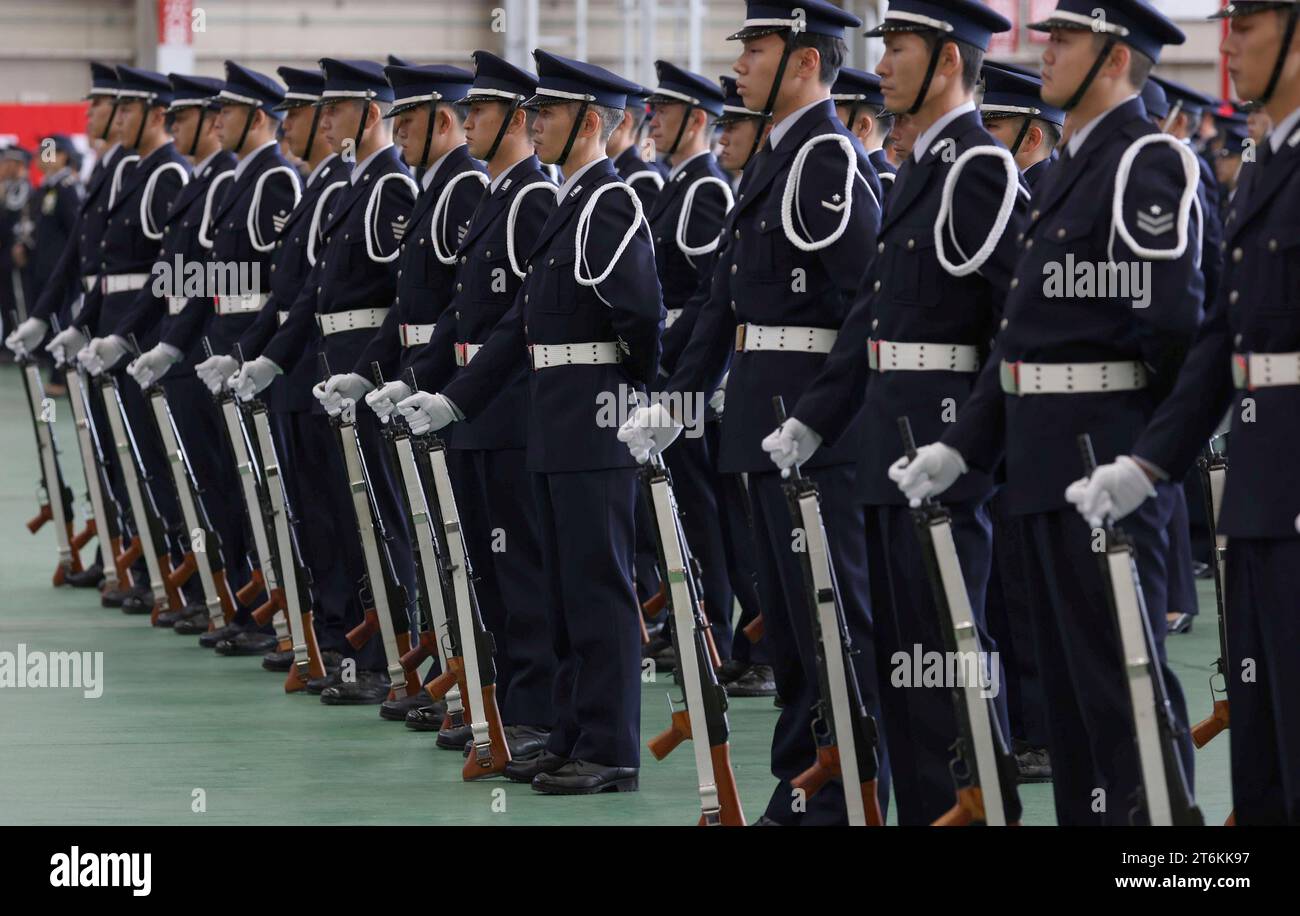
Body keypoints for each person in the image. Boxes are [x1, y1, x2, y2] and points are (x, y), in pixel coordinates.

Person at [892, 0, 1204, 826]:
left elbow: (1173, 328)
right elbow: (1021, 339)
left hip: (1102, 462)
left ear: (1113, 60)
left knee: (1124, 687)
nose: (1045, 50)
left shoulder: (1146, 163)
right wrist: (965, 447)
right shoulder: (1064, 168)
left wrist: (1144, 456)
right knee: (1065, 704)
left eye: (1065, 39)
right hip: (1038, 467)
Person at [619, 0, 887, 826]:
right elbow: (724, 306)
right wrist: (676, 400)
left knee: (833, 619)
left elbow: (865, 305)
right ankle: (802, 780)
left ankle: (853, 786)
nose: (738, 65)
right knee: (792, 625)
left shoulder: (828, 161)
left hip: (813, 431)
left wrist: (817, 416)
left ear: (805, 62)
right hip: (763, 426)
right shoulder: (778, 156)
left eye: (757, 49)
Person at [396, 49, 663, 795]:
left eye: (547, 114)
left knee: (598, 586)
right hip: (555, 416)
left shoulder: (608, 202)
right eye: (534, 112)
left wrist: (633, 392)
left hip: (591, 418)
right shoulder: (570, 203)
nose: (533, 124)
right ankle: (572, 731)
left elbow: (641, 313)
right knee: (562, 589)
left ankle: (611, 749)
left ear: (590, 123)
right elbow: (518, 326)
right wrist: (455, 398)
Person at [1072, 0, 1300, 825]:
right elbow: (1218, 345)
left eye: (1249, 22)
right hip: (1262, 495)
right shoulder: (1266, 163)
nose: (1227, 39)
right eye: (1226, 21)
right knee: (1265, 756)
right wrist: (1147, 465)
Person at [371, 50, 561, 754]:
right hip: (476, 410)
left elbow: (521, 318)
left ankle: (533, 711)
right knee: (486, 562)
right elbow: (460, 309)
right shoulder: (495, 195)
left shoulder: (532, 197)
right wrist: (419, 379)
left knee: (519, 568)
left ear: (513, 118)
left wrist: (456, 392)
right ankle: (507, 704)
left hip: (509, 413)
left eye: (479, 112)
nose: (469, 124)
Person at [229, 58, 418, 705]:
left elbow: (405, 297)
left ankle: (388, 653)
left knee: (375, 521)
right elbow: (312, 291)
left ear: (367, 115)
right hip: (330, 361)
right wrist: (266, 355)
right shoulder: (350, 186)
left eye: (334, 109)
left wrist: (371, 373)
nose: (321, 119)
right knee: (337, 517)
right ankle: (349, 645)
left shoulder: (389, 186)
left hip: (363, 365)